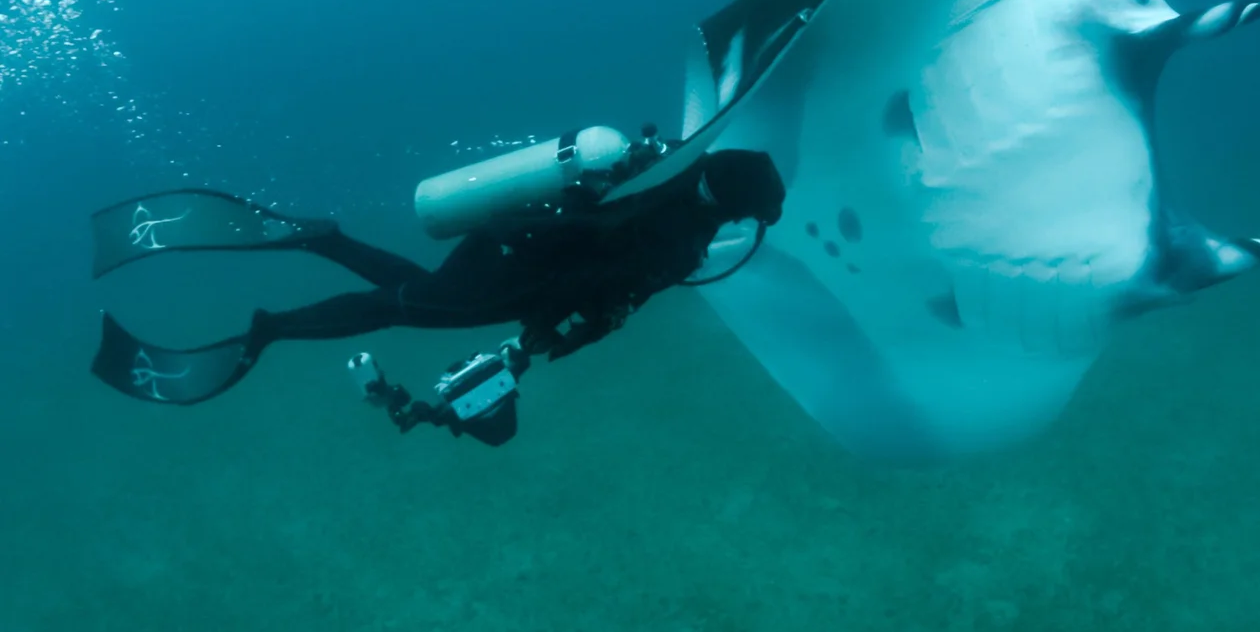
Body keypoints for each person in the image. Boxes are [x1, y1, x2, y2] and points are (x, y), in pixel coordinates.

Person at [89, 128, 785, 446]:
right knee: (402, 307)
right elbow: (611, 283)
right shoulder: (682, 238)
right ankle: (273, 325)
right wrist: (565, 331)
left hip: (511, 241)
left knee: (420, 293)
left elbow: (600, 242)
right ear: (736, 208)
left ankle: (324, 240)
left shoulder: (670, 168)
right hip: (518, 276)